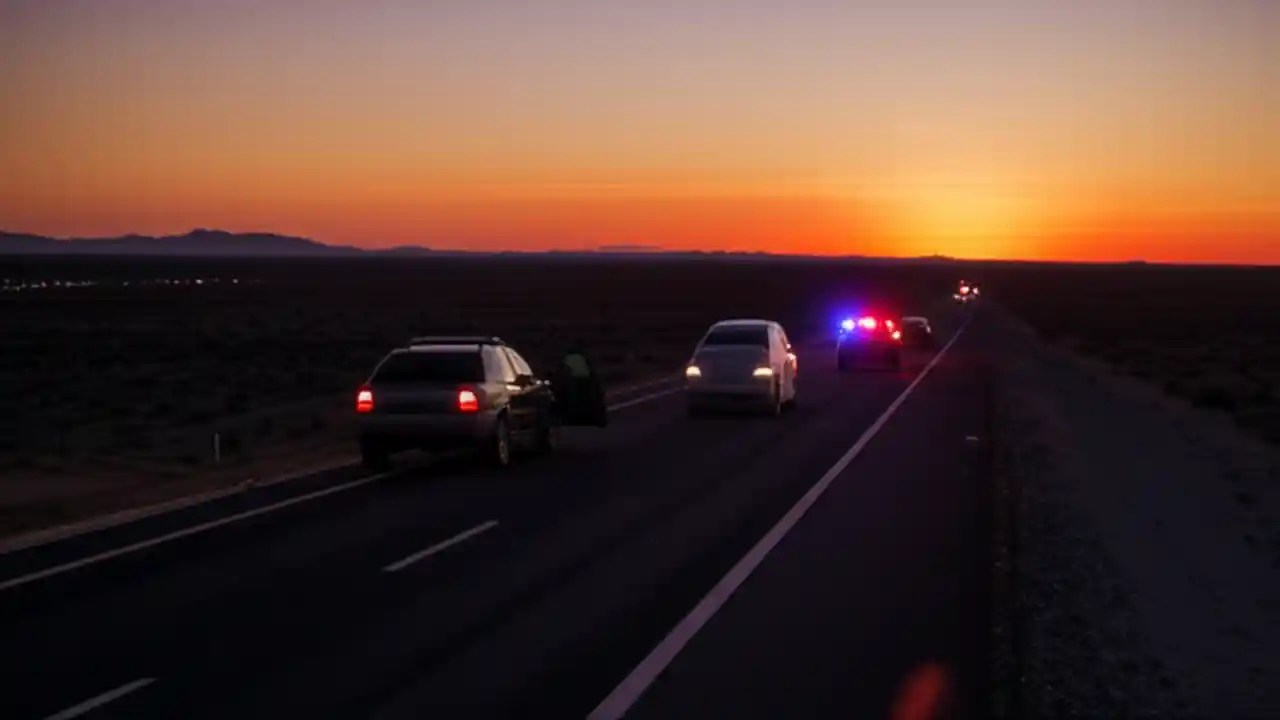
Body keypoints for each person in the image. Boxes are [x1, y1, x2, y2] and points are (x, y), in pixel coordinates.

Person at [553, 342, 608, 427]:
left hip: (575, 381)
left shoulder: (568, 359)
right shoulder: (583, 358)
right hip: (586, 380)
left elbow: (564, 371)